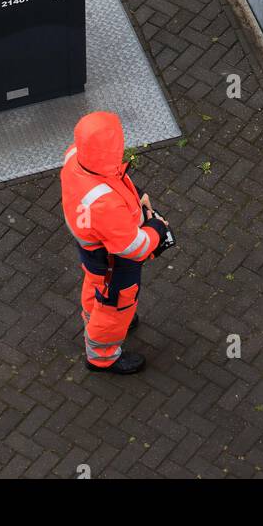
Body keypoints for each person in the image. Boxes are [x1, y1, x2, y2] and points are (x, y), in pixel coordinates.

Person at [60, 111, 169, 375]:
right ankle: (103, 357)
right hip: (114, 260)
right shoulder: (103, 204)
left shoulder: (76, 157)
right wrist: (157, 230)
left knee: (96, 284)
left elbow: (112, 177)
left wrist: (136, 193)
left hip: (95, 252)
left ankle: (95, 319)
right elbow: (132, 247)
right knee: (116, 304)